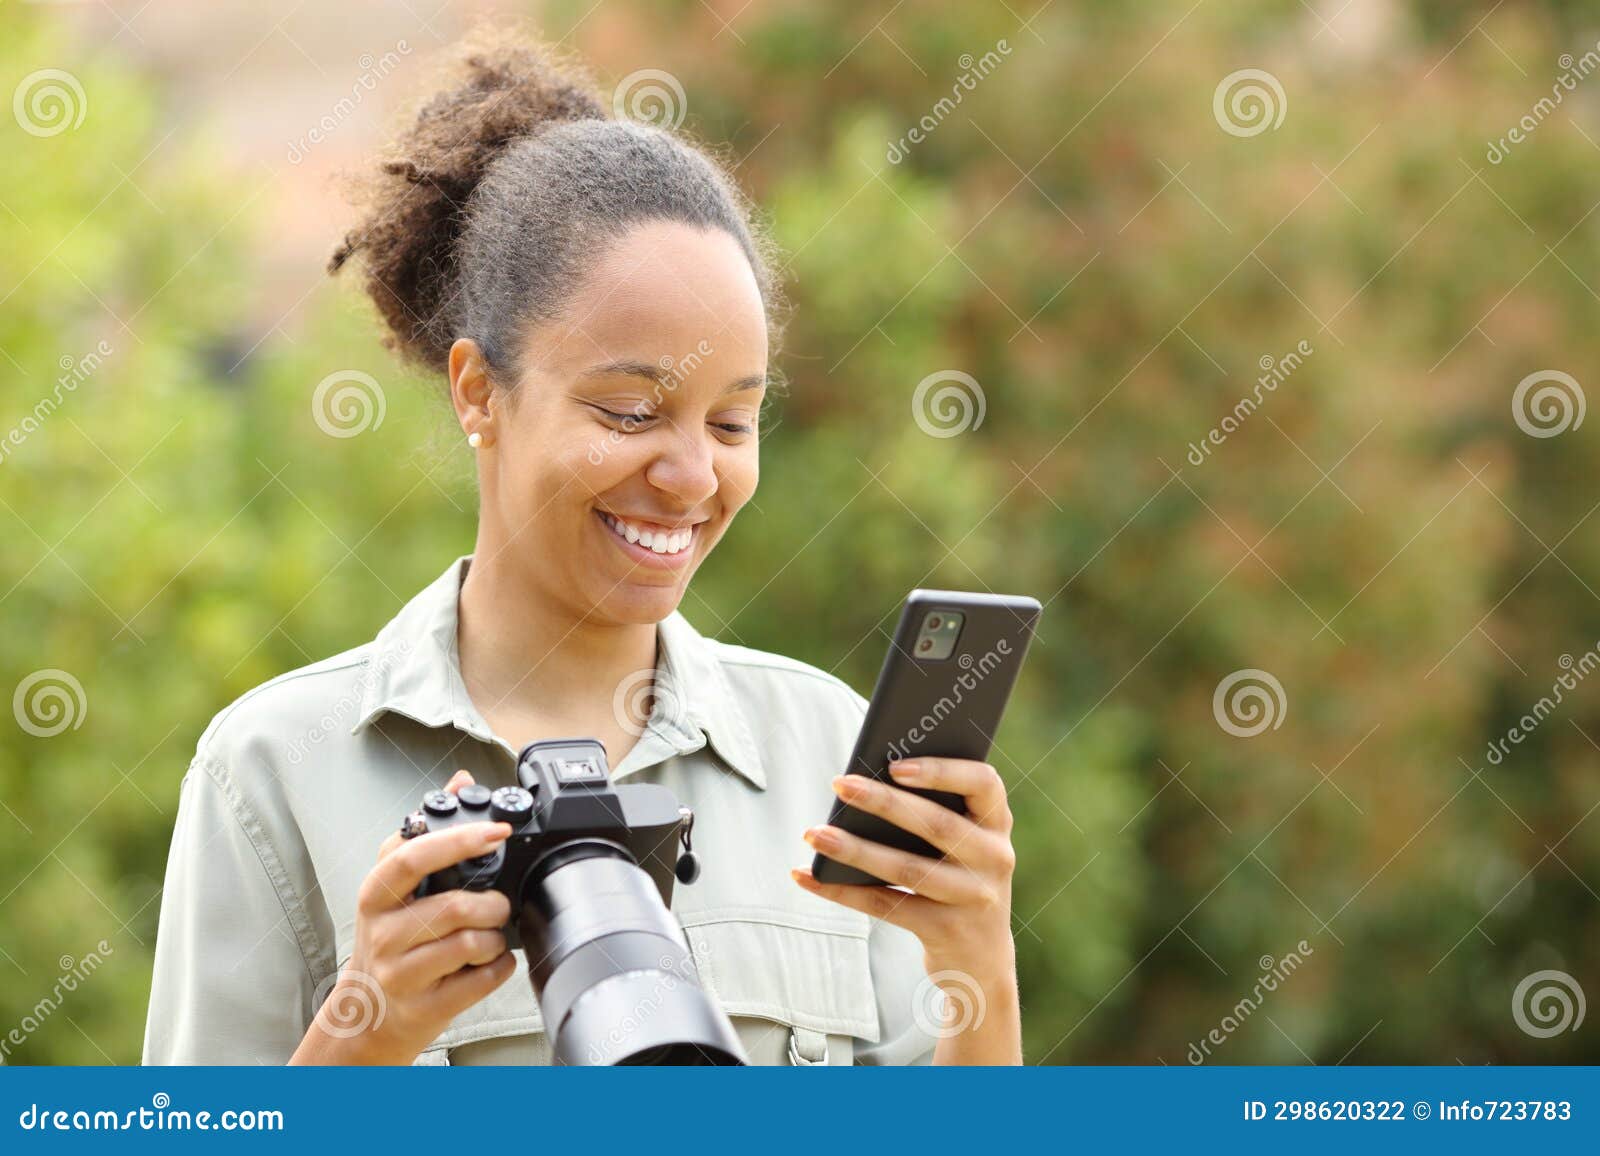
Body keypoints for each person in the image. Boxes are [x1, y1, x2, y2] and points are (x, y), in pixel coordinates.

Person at [142, 28, 1021, 1066]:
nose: (692, 475)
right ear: (479, 391)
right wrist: (361, 1028)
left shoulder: (828, 756)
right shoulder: (274, 769)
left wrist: (980, 965)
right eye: (630, 412)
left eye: (731, 423)